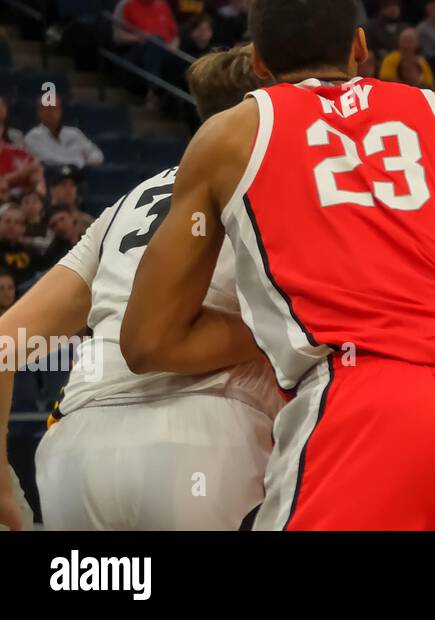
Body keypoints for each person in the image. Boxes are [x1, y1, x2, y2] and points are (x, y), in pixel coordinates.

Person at [119, 0, 435, 530]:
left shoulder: (232, 133)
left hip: (360, 400)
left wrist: (274, 330)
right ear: (361, 46)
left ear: (259, 63)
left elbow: (146, 341)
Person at [0, 47, 281, 531]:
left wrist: (3, 483)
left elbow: (6, 344)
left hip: (76, 450)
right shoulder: (275, 176)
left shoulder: (122, 206)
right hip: (207, 438)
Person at [23, 99, 104, 170]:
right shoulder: (32, 137)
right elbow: (50, 160)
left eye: (55, 108)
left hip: (78, 176)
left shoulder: (74, 133)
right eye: (47, 108)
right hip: (51, 179)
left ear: (60, 111)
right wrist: (79, 160)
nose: (51, 112)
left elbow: (97, 154)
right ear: (39, 112)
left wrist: (85, 162)